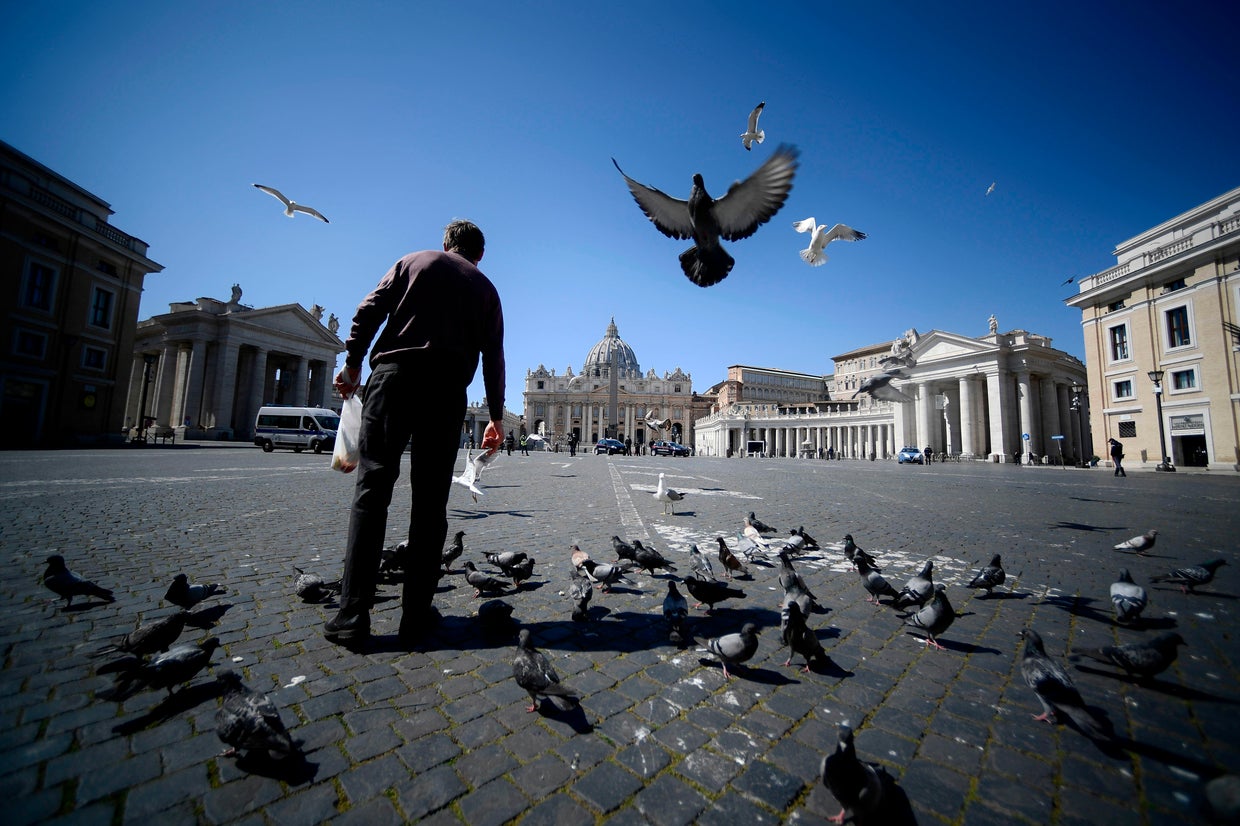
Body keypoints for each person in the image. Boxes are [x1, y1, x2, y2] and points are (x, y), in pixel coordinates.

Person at [325, 219, 505, 645]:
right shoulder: (485, 288)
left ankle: (352, 614)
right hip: (446, 392)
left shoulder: (413, 261)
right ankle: (416, 616)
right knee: (430, 503)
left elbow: (368, 311)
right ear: (479, 255)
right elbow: (493, 357)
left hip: (394, 378)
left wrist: (353, 363)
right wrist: (496, 416)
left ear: (445, 243)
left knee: (372, 491)